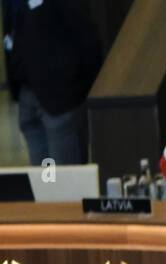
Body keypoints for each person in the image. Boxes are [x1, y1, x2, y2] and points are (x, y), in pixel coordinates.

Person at [2, 0, 102, 166]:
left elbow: (86, 36)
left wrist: (75, 88)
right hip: (28, 98)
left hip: (61, 100)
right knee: (45, 179)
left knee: (65, 181)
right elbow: (11, 33)